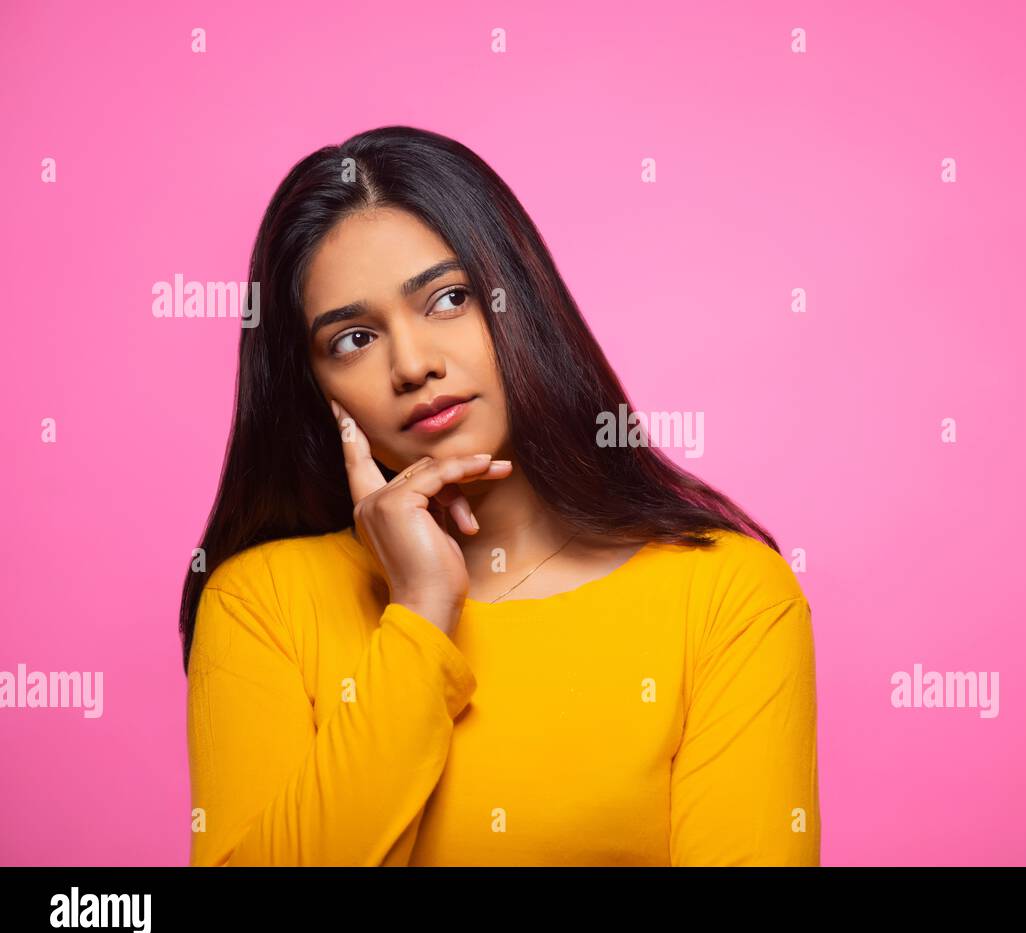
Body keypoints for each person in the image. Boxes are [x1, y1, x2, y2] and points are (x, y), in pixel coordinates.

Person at [180, 126, 819, 866]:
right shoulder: (262, 605)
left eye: (449, 298)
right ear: (317, 392)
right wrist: (420, 611)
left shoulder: (727, 597)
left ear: (521, 302)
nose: (414, 364)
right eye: (354, 338)